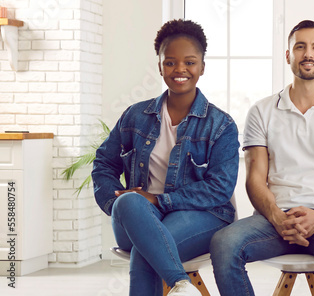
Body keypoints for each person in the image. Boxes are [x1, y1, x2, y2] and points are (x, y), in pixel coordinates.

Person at [209, 20, 314, 296]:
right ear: (288, 55)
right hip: (274, 219)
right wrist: (277, 218)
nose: (308, 54)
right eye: (300, 46)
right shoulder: (261, 111)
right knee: (224, 244)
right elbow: (255, 179)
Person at [92, 19, 238, 296]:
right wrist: (115, 202)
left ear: (202, 67)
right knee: (130, 203)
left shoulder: (221, 124)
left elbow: (220, 188)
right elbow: (103, 164)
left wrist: (160, 200)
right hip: (139, 215)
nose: (180, 69)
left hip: (202, 216)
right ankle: (182, 285)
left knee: (146, 249)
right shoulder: (135, 116)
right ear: (159, 66)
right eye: (170, 62)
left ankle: (180, 286)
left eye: (190, 62)